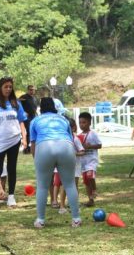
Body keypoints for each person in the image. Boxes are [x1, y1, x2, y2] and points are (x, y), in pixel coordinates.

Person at [30, 97, 83, 229]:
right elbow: (71, 138)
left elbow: (33, 144)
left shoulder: (35, 120)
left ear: (40, 108)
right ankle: (76, 218)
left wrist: (36, 158)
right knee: (70, 184)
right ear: (54, 107)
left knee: (42, 186)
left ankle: (41, 220)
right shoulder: (63, 119)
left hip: (44, 147)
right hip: (66, 147)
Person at [0, 77, 28, 208]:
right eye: (6, 87)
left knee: (11, 168)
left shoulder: (16, 103)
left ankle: (11, 197)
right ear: (0, 88)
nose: (8, 89)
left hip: (14, 140)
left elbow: (21, 121)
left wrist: (24, 138)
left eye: (10, 87)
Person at [76, 111, 102, 206]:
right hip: (83, 162)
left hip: (91, 160)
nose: (81, 125)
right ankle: (90, 200)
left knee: (90, 175)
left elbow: (99, 145)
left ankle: (94, 190)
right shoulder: (78, 136)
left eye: (84, 122)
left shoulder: (93, 134)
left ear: (89, 122)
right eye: (80, 123)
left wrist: (90, 146)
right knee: (86, 181)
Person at [19, 84, 38, 153]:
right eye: (30, 90)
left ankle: (32, 147)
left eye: (33, 90)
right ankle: (26, 148)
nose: (32, 91)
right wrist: (23, 112)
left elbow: (34, 107)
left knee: (33, 131)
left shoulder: (34, 98)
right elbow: (17, 103)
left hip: (33, 116)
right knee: (28, 131)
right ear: (28, 90)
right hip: (27, 117)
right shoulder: (24, 97)